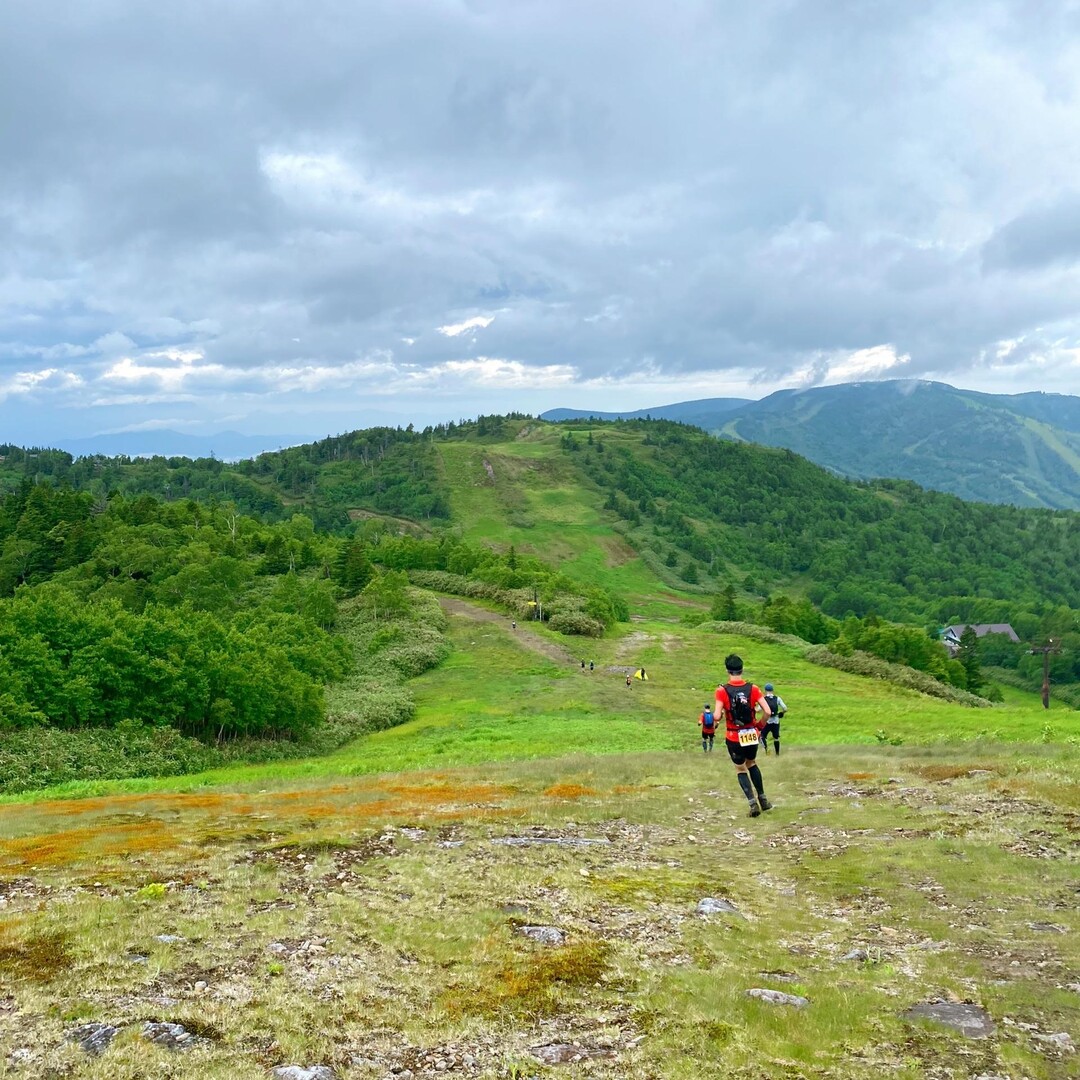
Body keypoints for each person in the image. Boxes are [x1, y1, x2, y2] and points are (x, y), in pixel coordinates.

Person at [715, 653, 773, 817]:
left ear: (728, 670)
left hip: (734, 735)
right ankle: (764, 800)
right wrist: (760, 726)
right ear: (742, 669)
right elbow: (767, 711)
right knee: (752, 763)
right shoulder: (753, 689)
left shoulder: (722, 691)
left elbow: (718, 716)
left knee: (740, 768)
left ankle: (752, 804)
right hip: (752, 734)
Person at [761, 683, 787, 755]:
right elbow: (785, 708)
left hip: (767, 721)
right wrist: (781, 713)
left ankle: (767, 750)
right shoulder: (777, 698)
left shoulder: (764, 699)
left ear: (765, 690)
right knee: (776, 738)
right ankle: (777, 754)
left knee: (762, 736)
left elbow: (758, 709)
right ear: (772, 690)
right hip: (776, 720)